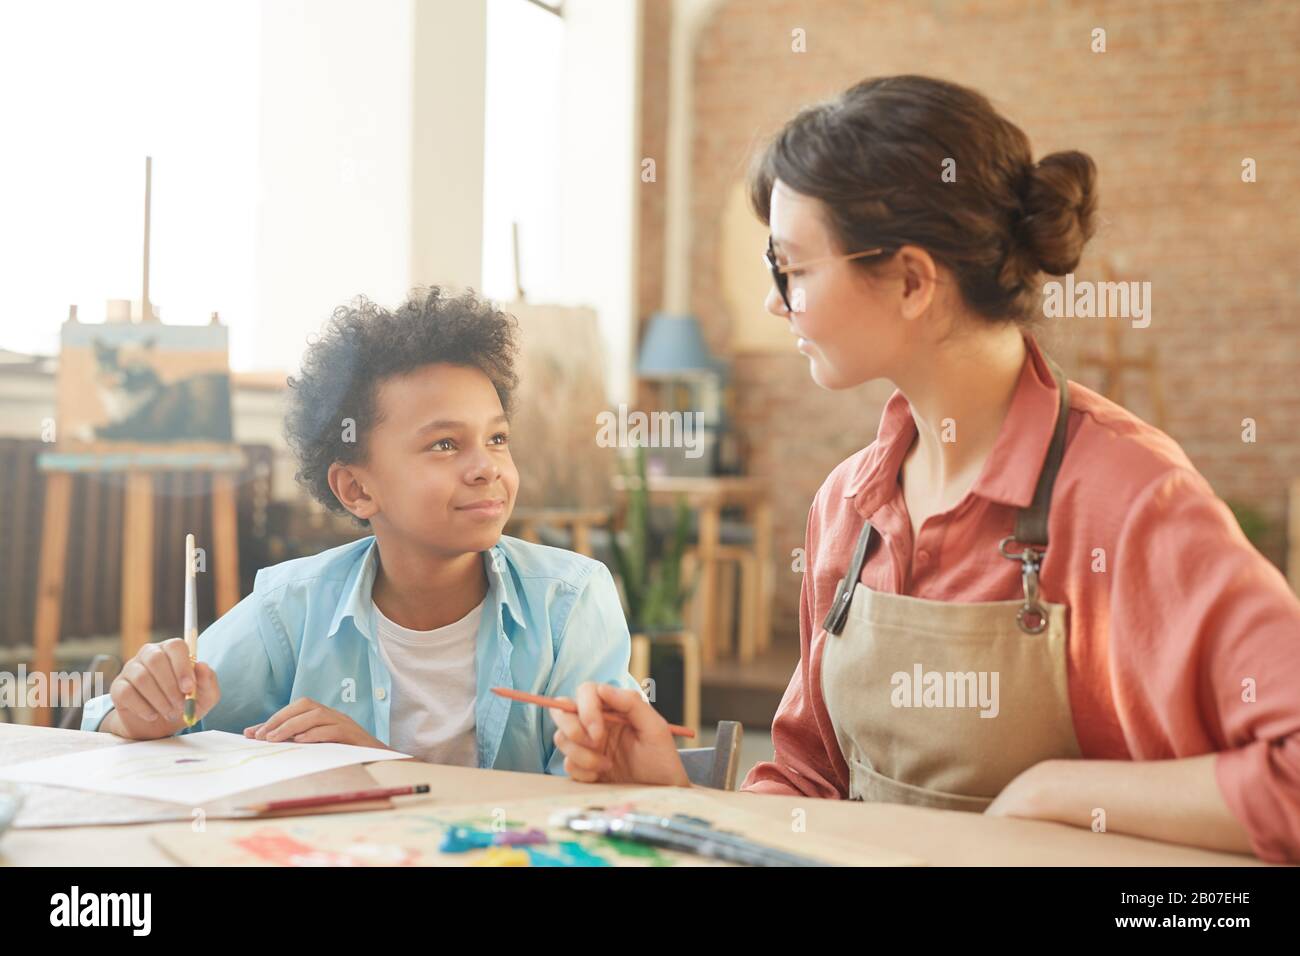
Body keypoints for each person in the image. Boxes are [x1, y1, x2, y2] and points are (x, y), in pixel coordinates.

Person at [548, 75, 1300, 862]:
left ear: (911, 281)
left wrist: (1056, 797)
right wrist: (679, 794)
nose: (778, 303)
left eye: (793, 270)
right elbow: (810, 790)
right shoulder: (848, 505)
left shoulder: (1127, 498)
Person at [82, 287, 640, 774]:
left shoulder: (569, 603)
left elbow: (590, 807)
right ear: (356, 489)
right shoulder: (292, 609)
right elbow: (142, 728)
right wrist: (137, 713)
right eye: (445, 444)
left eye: (496, 438)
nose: (486, 467)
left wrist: (380, 767)